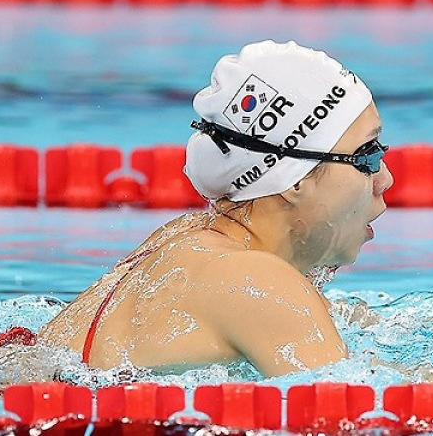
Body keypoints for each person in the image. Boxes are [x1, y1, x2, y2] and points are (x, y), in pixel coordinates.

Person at [31, 40, 394, 377]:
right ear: (294, 179)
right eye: (368, 155)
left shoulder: (188, 237)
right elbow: (352, 409)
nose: (385, 179)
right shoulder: (259, 284)